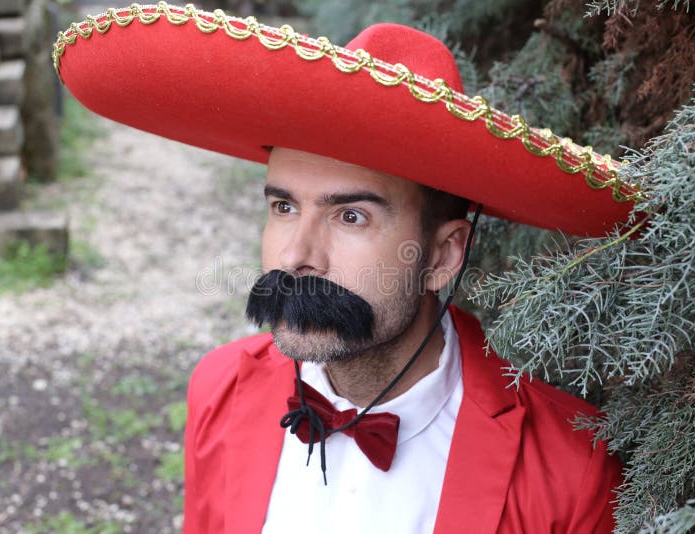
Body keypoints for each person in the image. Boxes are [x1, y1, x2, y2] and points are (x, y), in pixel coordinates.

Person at [53, 4, 641, 532]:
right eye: (284, 207)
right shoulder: (220, 390)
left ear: (442, 256)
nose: (294, 255)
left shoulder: (570, 466)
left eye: (350, 216)